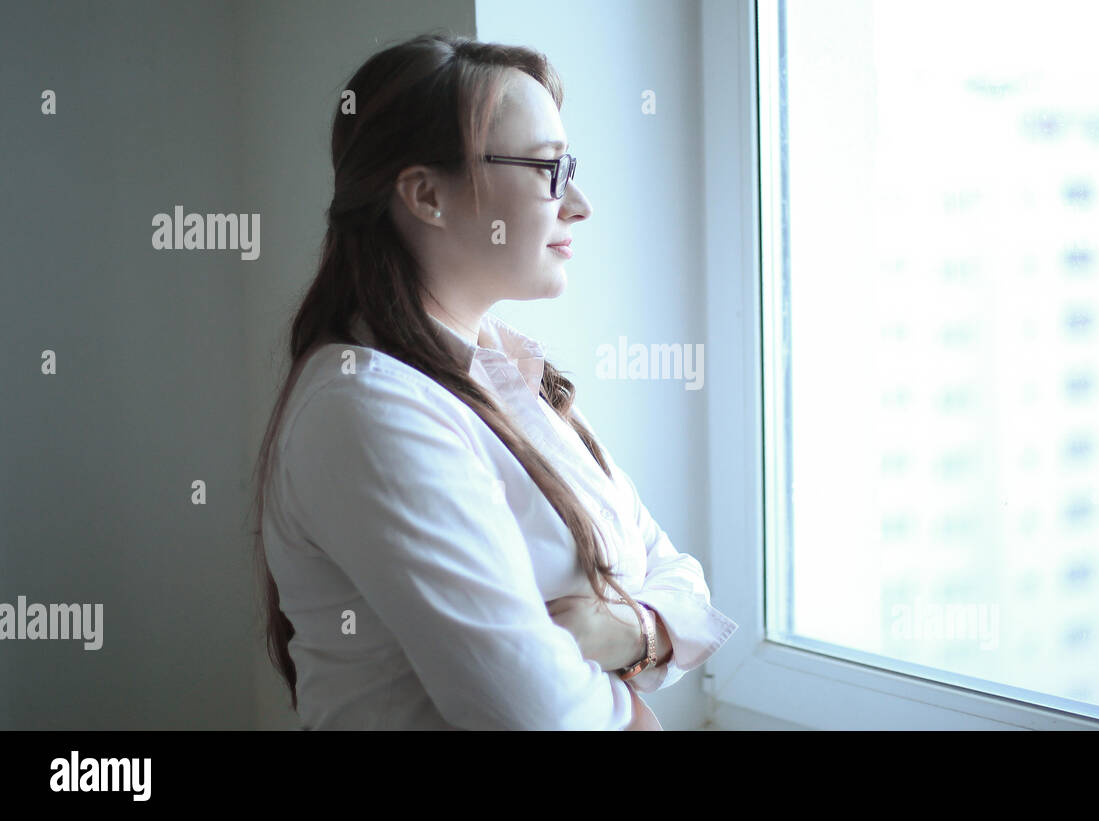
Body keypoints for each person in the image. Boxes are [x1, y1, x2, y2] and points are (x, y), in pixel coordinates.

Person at [248, 32, 738, 730]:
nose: (579, 203)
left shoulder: (512, 374)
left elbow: (675, 571)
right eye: (547, 168)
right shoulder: (366, 407)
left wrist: (635, 630)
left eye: (569, 165)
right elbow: (533, 712)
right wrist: (636, 705)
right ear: (425, 195)